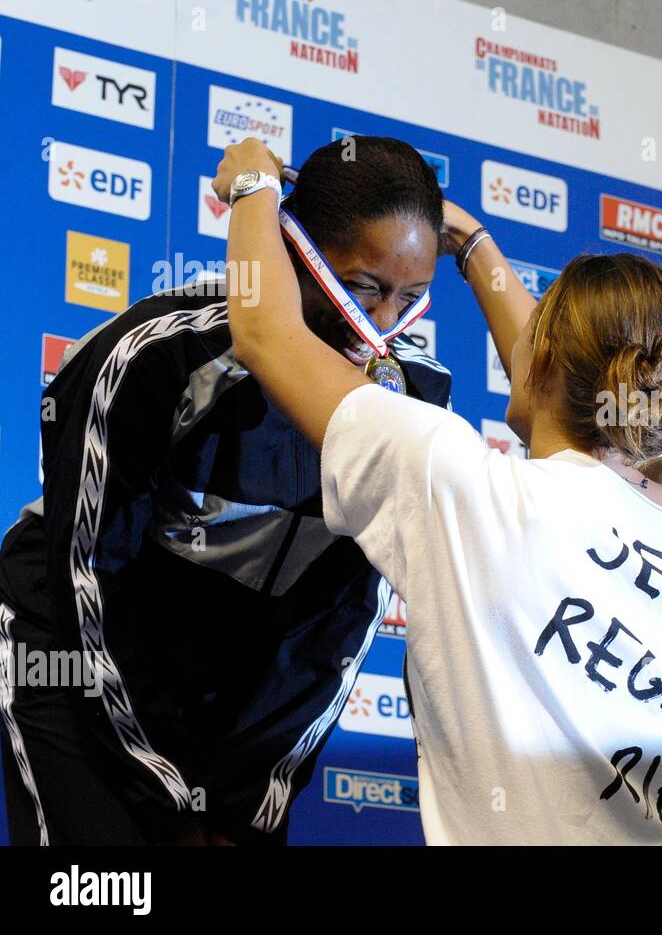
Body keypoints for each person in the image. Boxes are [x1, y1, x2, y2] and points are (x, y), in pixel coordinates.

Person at [215, 137, 662, 845]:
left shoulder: (464, 489)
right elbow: (589, 409)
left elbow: (264, 330)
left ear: (546, 358)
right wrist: (464, 242)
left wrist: (251, 184)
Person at [0, 136, 451, 844]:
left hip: (232, 685)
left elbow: (336, 629)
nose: (383, 321)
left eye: (411, 296)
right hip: (73, 648)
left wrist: (255, 797)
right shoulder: (155, 354)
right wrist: (164, 788)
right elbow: (87, 579)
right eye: (363, 285)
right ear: (294, 249)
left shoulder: (414, 402)